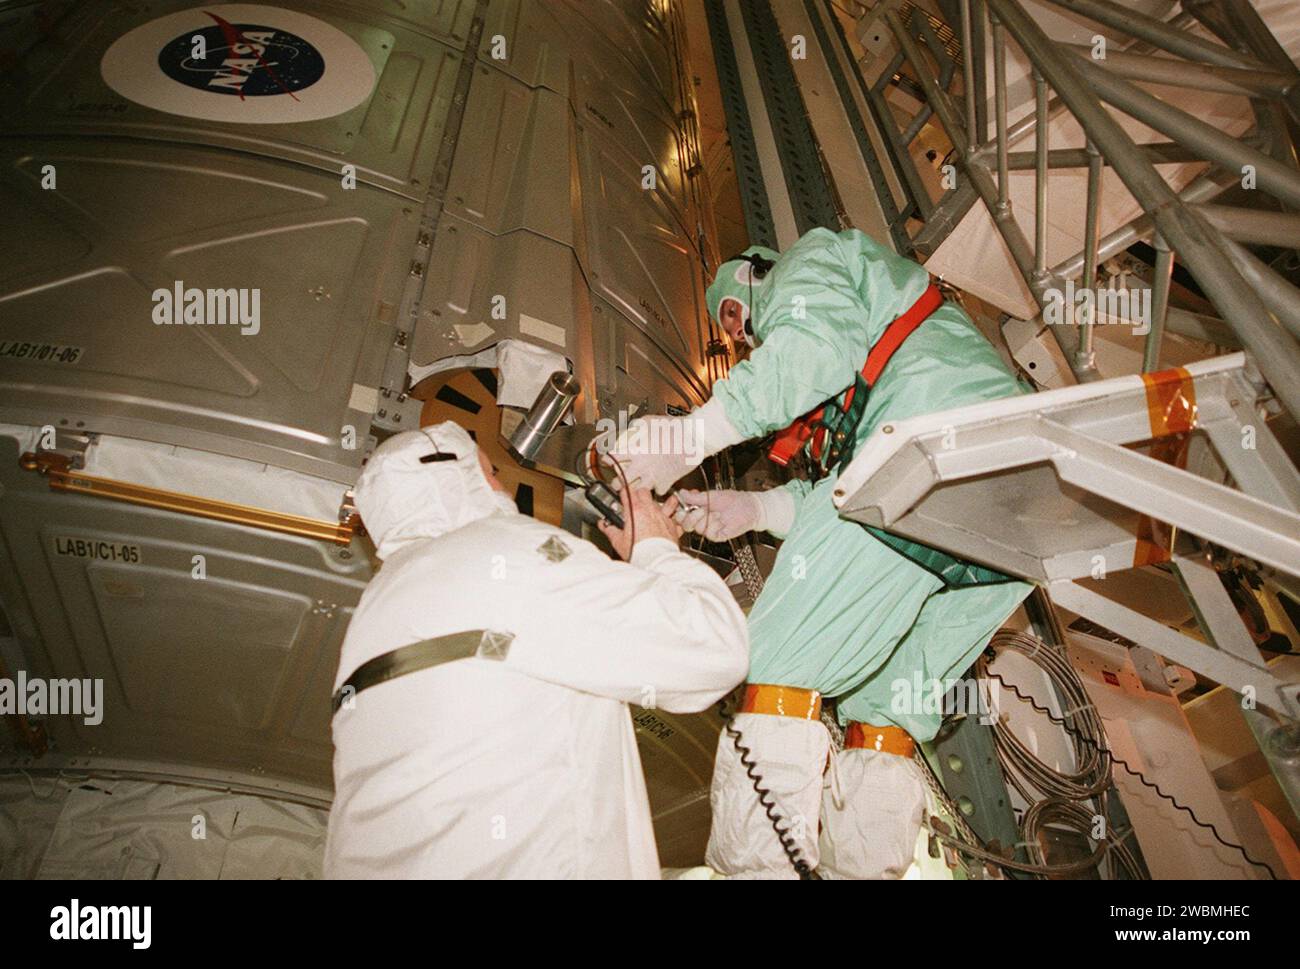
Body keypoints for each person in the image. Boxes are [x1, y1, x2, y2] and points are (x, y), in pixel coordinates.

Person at [607, 227, 1032, 878]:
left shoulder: (808, 261)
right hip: (1009, 512)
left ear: (753, 274)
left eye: (736, 320)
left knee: (778, 659)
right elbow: (843, 493)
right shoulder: (874, 361)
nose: (745, 337)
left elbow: (813, 351)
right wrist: (754, 509)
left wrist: (694, 434)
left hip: (930, 453)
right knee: (885, 705)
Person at [325, 421, 749, 879]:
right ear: (457, 474)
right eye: (490, 471)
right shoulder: (503, 552)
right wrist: (655, 547)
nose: (501, 486)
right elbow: (712, 646)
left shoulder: (376, 613)